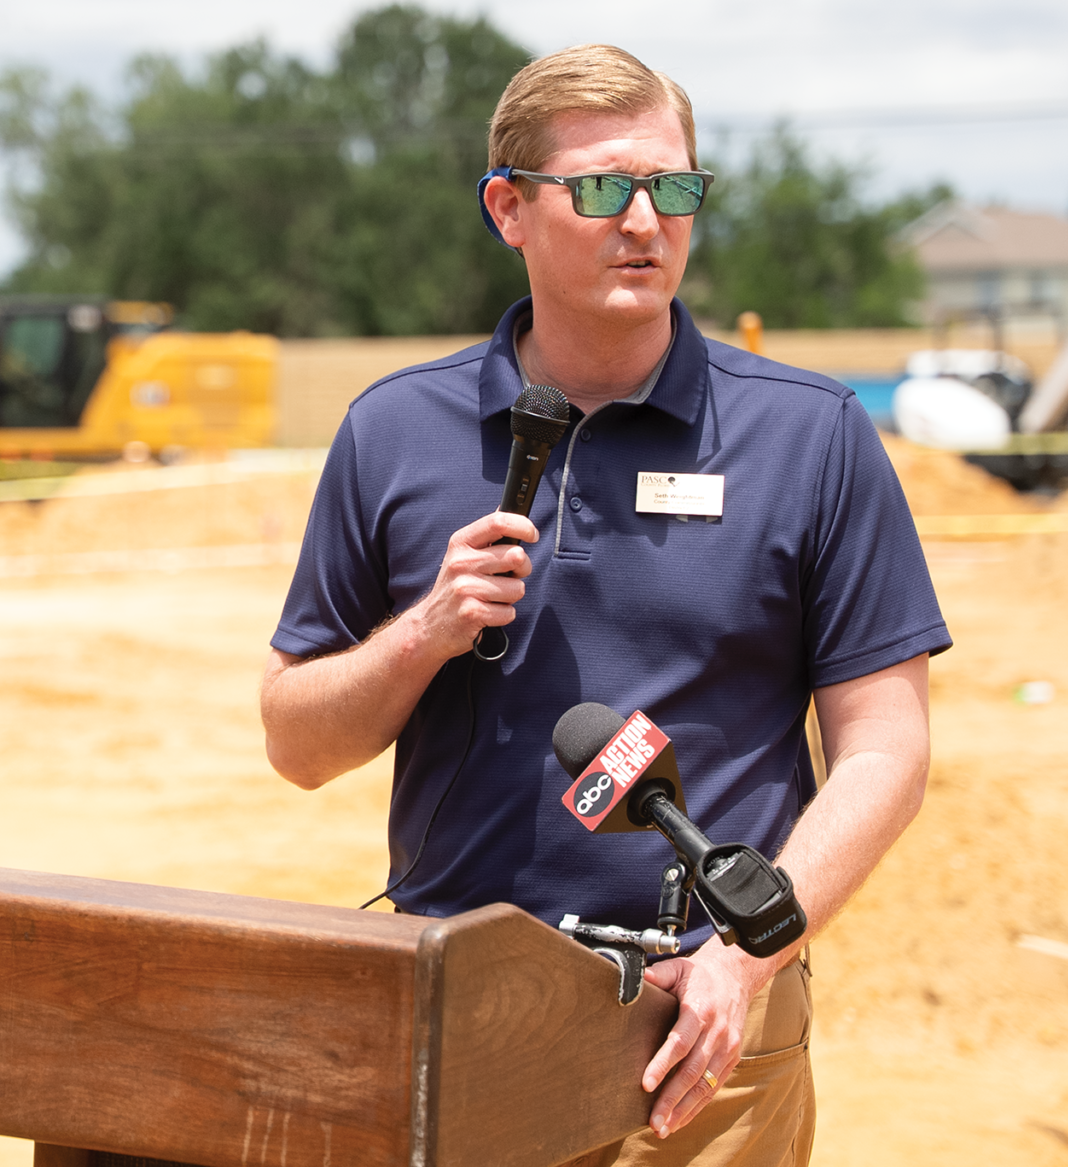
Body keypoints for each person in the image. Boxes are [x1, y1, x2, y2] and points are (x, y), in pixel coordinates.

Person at [261, 44, 950, 1167]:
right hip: (454, 1015)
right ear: (509, 210)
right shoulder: (393, 431)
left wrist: (745, 954)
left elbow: (888, 750)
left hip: (703, 1035)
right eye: (601, 189)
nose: (645, 220)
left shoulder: (811, 434)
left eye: (673, 188)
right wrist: (426, 632)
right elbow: (297, 743)